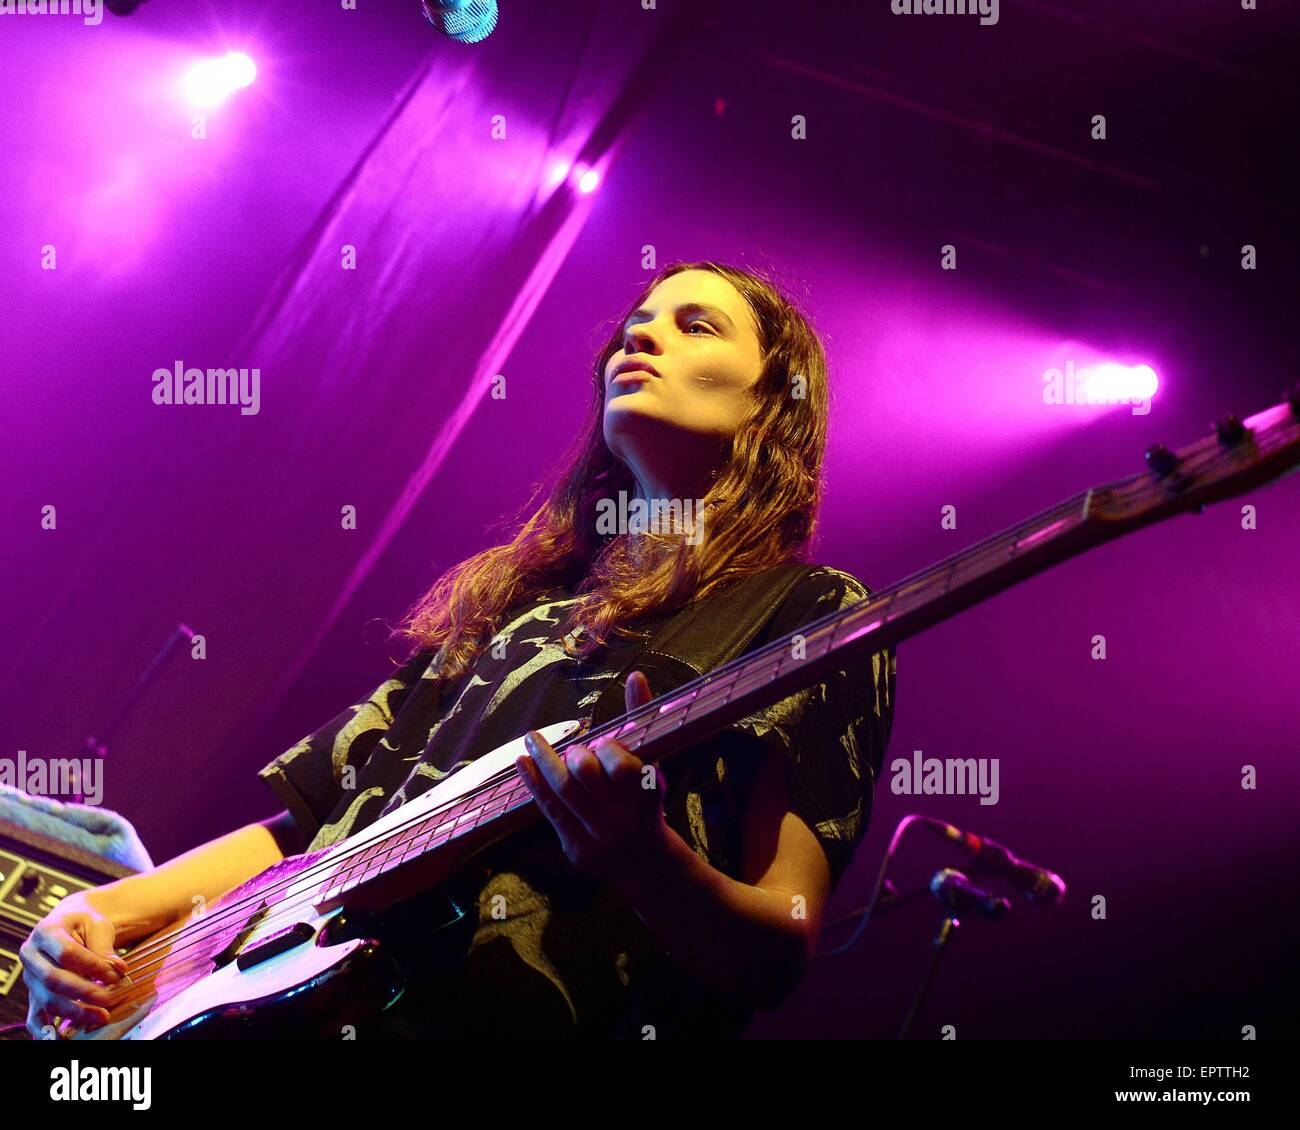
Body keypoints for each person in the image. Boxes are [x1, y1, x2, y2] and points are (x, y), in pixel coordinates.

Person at [20, 261, 896, 1040]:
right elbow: (312, 832)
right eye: (636, 325)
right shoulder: (523, 602)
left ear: (777, 399)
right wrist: (95, 910)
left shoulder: (810, 612)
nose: (642, 336)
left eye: (693, 324)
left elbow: (775, 953)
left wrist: (643, 858)